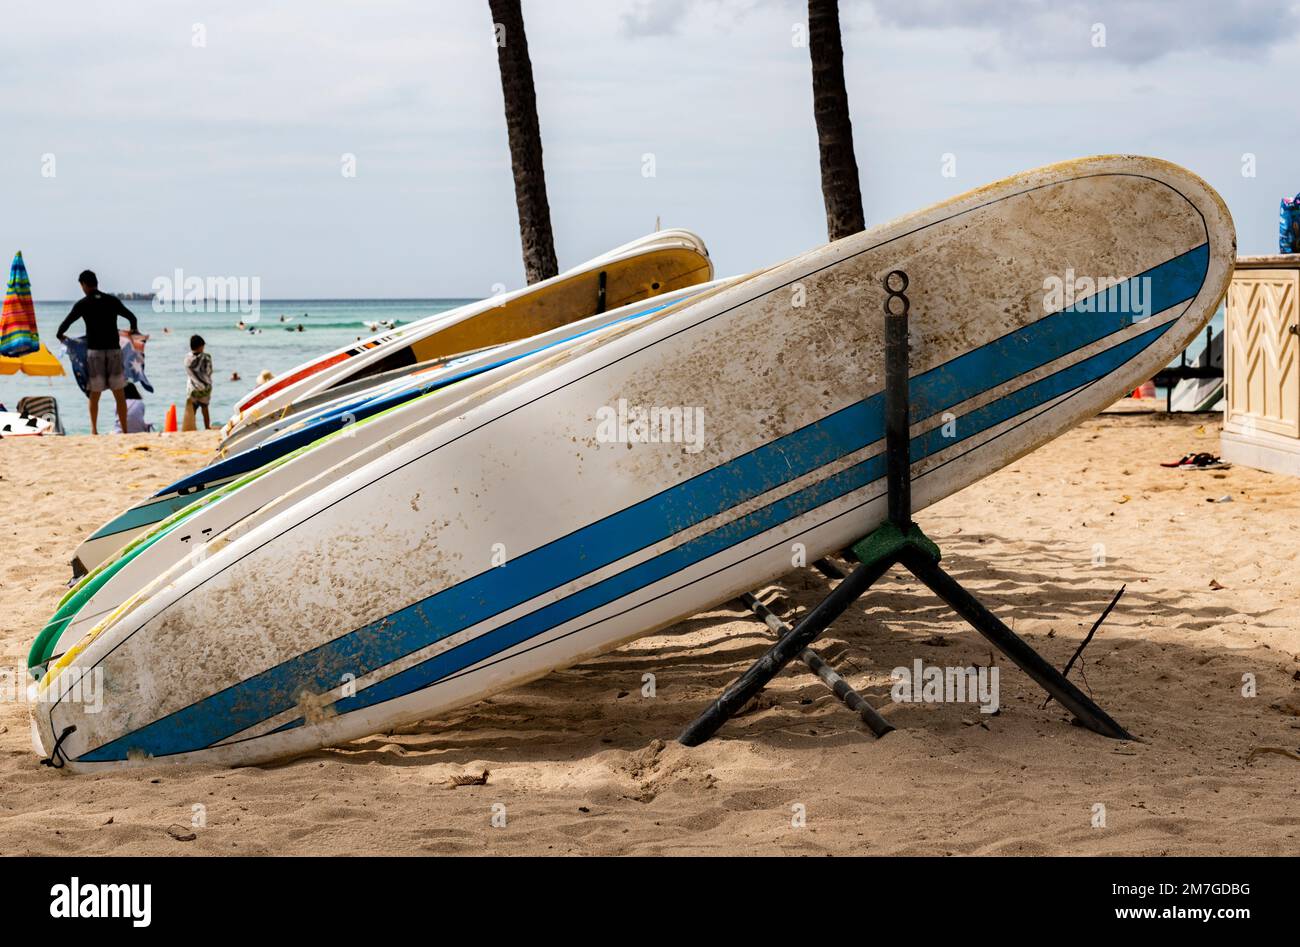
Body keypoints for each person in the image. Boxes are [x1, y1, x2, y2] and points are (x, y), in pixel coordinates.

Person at [55, 270, 139, 435]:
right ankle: (125, 430)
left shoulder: (83, 304)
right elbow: (132, 317)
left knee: (95, 393)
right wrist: (132, 331)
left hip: (95, 353)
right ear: (96, 282)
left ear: (84, 285)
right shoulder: (112, 301)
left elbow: (65, 324)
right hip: (114, 351)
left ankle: (94, 430)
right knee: (119, 394)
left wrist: (61, 336)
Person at [183, 334, 214, 431]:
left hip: (192, 387)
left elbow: (188, 371)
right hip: (204, 387)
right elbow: (209, 371)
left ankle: (191, 427)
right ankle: (207, 427)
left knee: (193, 409)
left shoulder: (187, 358)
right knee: (205, 408)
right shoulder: (206, 357)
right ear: (201, 346)